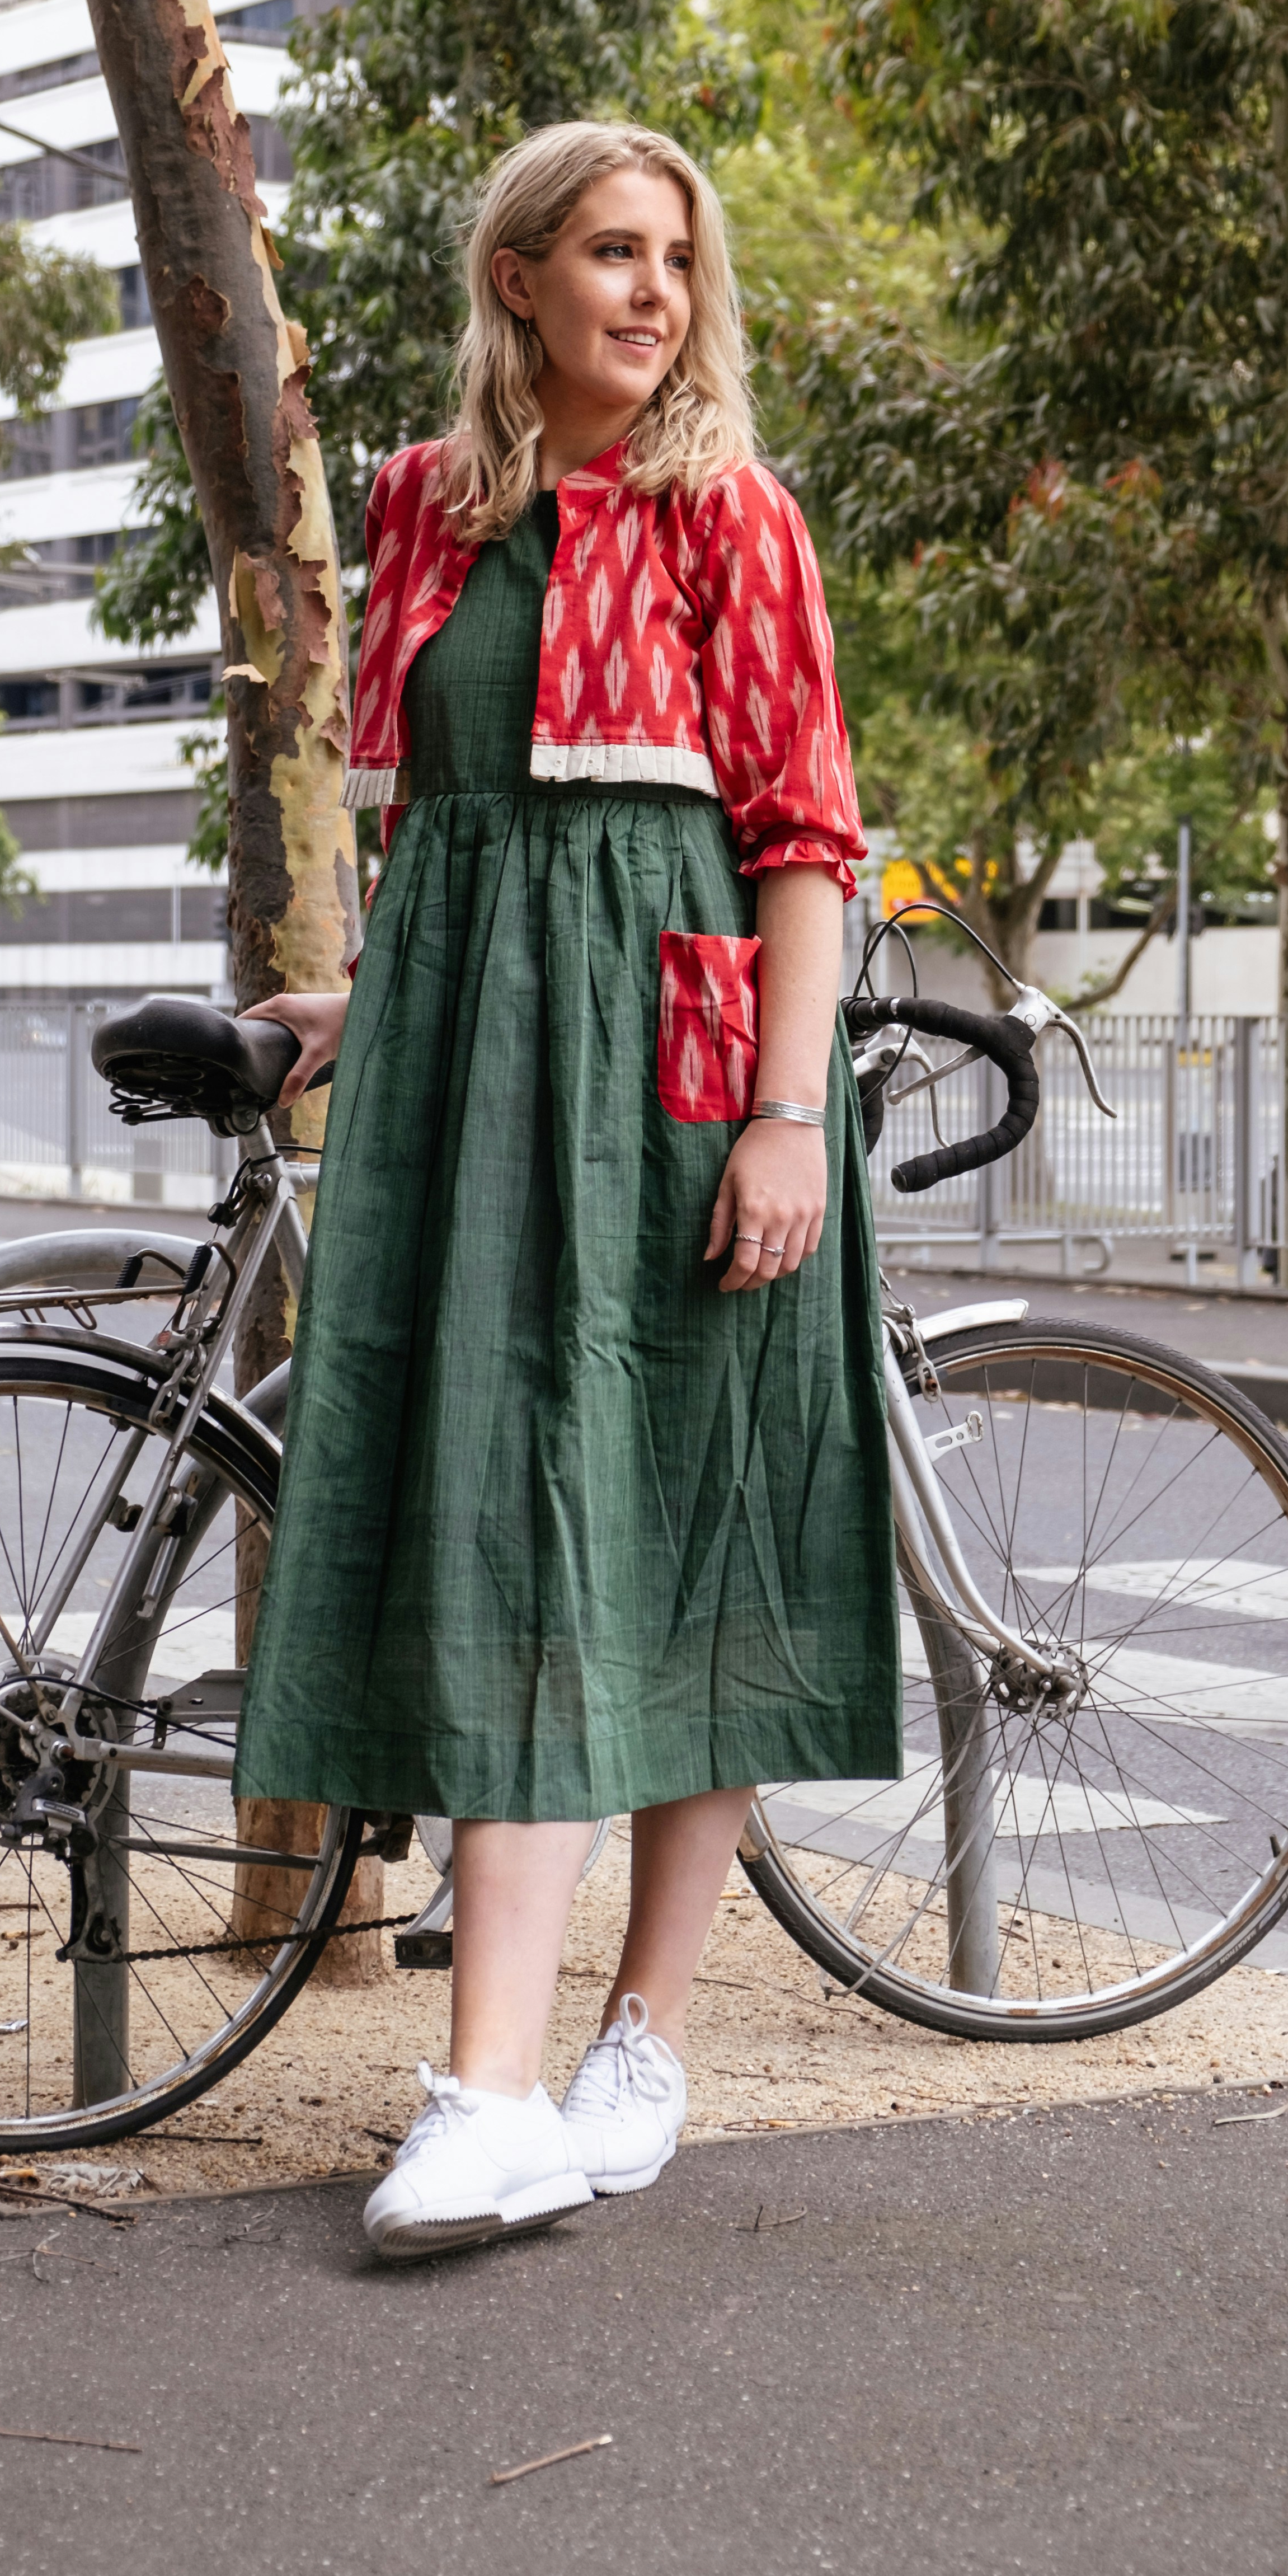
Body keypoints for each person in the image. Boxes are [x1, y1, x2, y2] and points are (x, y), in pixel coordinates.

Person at [238, 117, 896, 2259]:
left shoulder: (736, 517)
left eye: (678, 263)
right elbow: (433, 822)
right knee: (523, 1512)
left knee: (686, 1521)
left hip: (686, 1085)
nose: (653, 294)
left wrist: (790, 1118)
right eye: (610, 253)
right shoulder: (425, 505)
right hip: (471, 1074)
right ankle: (504, 2087)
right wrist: (366, 1003)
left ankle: (608, 2050)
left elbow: (805, 841)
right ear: (515, 278)